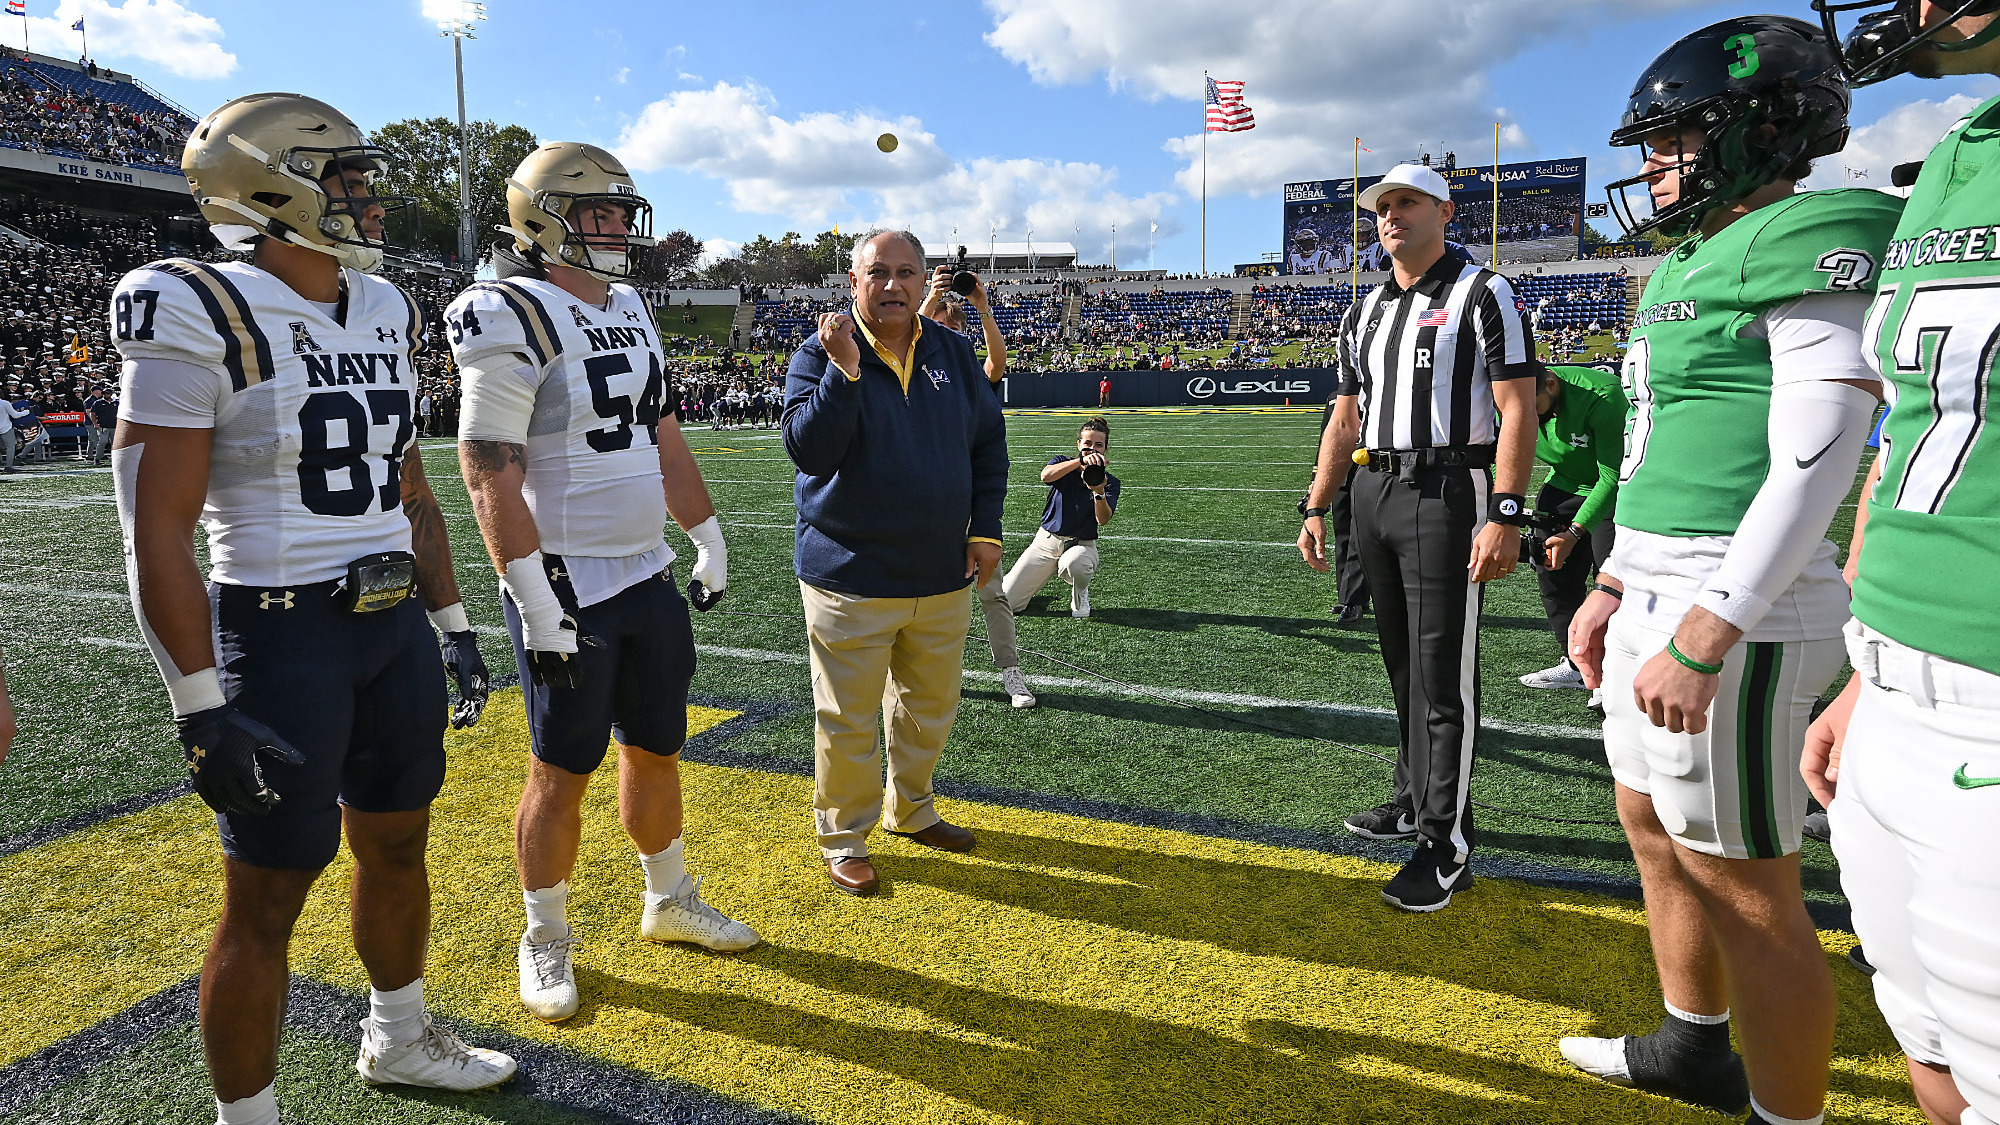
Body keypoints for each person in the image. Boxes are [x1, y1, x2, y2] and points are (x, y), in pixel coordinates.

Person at [110, 93, 513, 1124]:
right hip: (279, 632)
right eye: (347, 182)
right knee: (266, 897)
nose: (370, 203)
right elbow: (154, 533)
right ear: (272, 186)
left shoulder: (385, 307)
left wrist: (451, 621)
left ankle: (400, 1037)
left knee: (399, 846)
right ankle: (247, 1118)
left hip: (387, 632)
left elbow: (409, 487)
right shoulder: (194, 301)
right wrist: (199, 705)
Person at [1556, 18, 1901, 1125]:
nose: (1650, 164)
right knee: (1649, 823)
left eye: (1674, 138)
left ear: (1759, 127)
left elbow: (1821, 446)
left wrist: (1712, 622)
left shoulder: (1814, 231)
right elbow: (1661, 442)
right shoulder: (1688, 259)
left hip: (1735, 595)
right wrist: (1612, 586)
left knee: (1748, 886)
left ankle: (1783, 1112)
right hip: (1657, 579)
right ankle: (1689, 1045)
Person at [446, 141, 754, 1027]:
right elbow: (487, 465)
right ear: (543, 219)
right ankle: (543, 932)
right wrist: (532, 595)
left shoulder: (631, 303)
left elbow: (660, 430)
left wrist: (704, 533)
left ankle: (669, 896)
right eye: (600, 212)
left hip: (645, 571)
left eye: (624, 211)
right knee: (560, 768)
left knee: (657, 744)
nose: (619, 227)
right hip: (566, 581)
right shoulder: (509, 309)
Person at [1803, 1, 2000, 1122]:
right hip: (1892, 682)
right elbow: (1906, 423)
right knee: (1924, 1040)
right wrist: (1861, 671)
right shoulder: (1954, 154)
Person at [1296, 162, 1538, 914]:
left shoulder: (1484, 291)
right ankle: (1413, 799)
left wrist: (1504, 511)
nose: (1391, 216)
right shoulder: (1364, 309)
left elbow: (1517, 407)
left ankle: (1447, 844)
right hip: (1375, 487)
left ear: (1444, 209)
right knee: (1403, 667)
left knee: (1442, 673)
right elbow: (1344, 417)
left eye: (1407, 203)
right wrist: (1315, 503)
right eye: (1382, 207)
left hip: (1447, 488)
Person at [783, 229, 1007, 897]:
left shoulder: (953, 350)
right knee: (847, 718)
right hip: (849, 574)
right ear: (853, 282)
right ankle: (845, 836)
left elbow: (987, 445)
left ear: (923, 283)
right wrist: (843, 371)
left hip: (940, 571)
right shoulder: (815, 352)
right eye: (876, 272)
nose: (892, 284)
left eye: (906, 272)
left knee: (927, 707)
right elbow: (809, 451)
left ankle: (910, 808)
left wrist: (987, 529)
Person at [920, 271, 1036, 709]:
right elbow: (909, 330)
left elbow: (997, 364)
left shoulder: (970, 375)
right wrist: (932, 296)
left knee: (992, 591)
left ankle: (1010, 670)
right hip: (925, 502)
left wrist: (983, 307)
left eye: (955, 329)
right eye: (941, 327)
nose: (947, 335)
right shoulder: (913, 372)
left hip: (968, 500)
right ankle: (924, 673)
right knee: (923, 596)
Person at [1516, 362, 1628, 696]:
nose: (1527, 418)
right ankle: (1578, 663)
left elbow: (1612, 475)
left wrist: (1575, 532)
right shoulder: (1515, 399)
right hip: (1564, 484)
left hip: (1616, 490)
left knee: (1610, 580)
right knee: (1552, 574)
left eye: (1533, 408)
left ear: (1550, 385)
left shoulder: (1603, 397)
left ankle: (1616, 673)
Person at [1000, 418, 1119, 621]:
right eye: (1087, 443)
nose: (1092, 449)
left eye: (1099, 445)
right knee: (1005, 603)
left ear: (1105, 449)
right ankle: (1032, 590)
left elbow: (1103, 520)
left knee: (1075, 563)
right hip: (1046, 543)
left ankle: (1080, 589)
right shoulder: (1062, 463)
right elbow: (1046, 476)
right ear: (1079, 444)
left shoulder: (1110, 482)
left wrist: (1098, 492)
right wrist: (1079, 463)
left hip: (1081, 546)